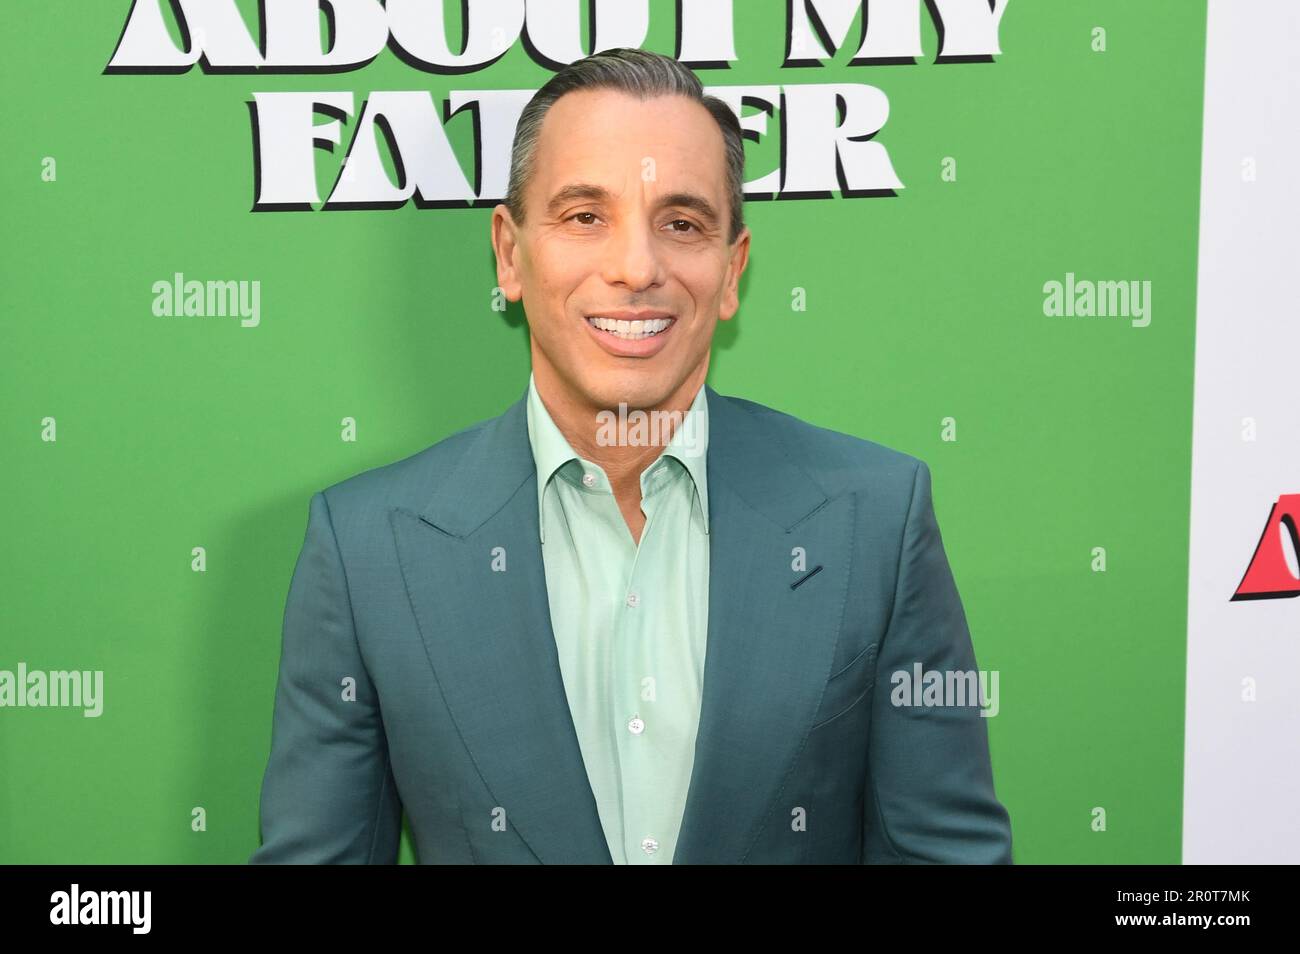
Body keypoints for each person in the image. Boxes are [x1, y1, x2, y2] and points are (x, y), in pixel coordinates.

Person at [249, 47, 1012, 864]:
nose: (636, 268)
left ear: (732, 271)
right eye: (586, 216)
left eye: (681, 224)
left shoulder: (877, 522)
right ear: (509, 254)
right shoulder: (367, 552)